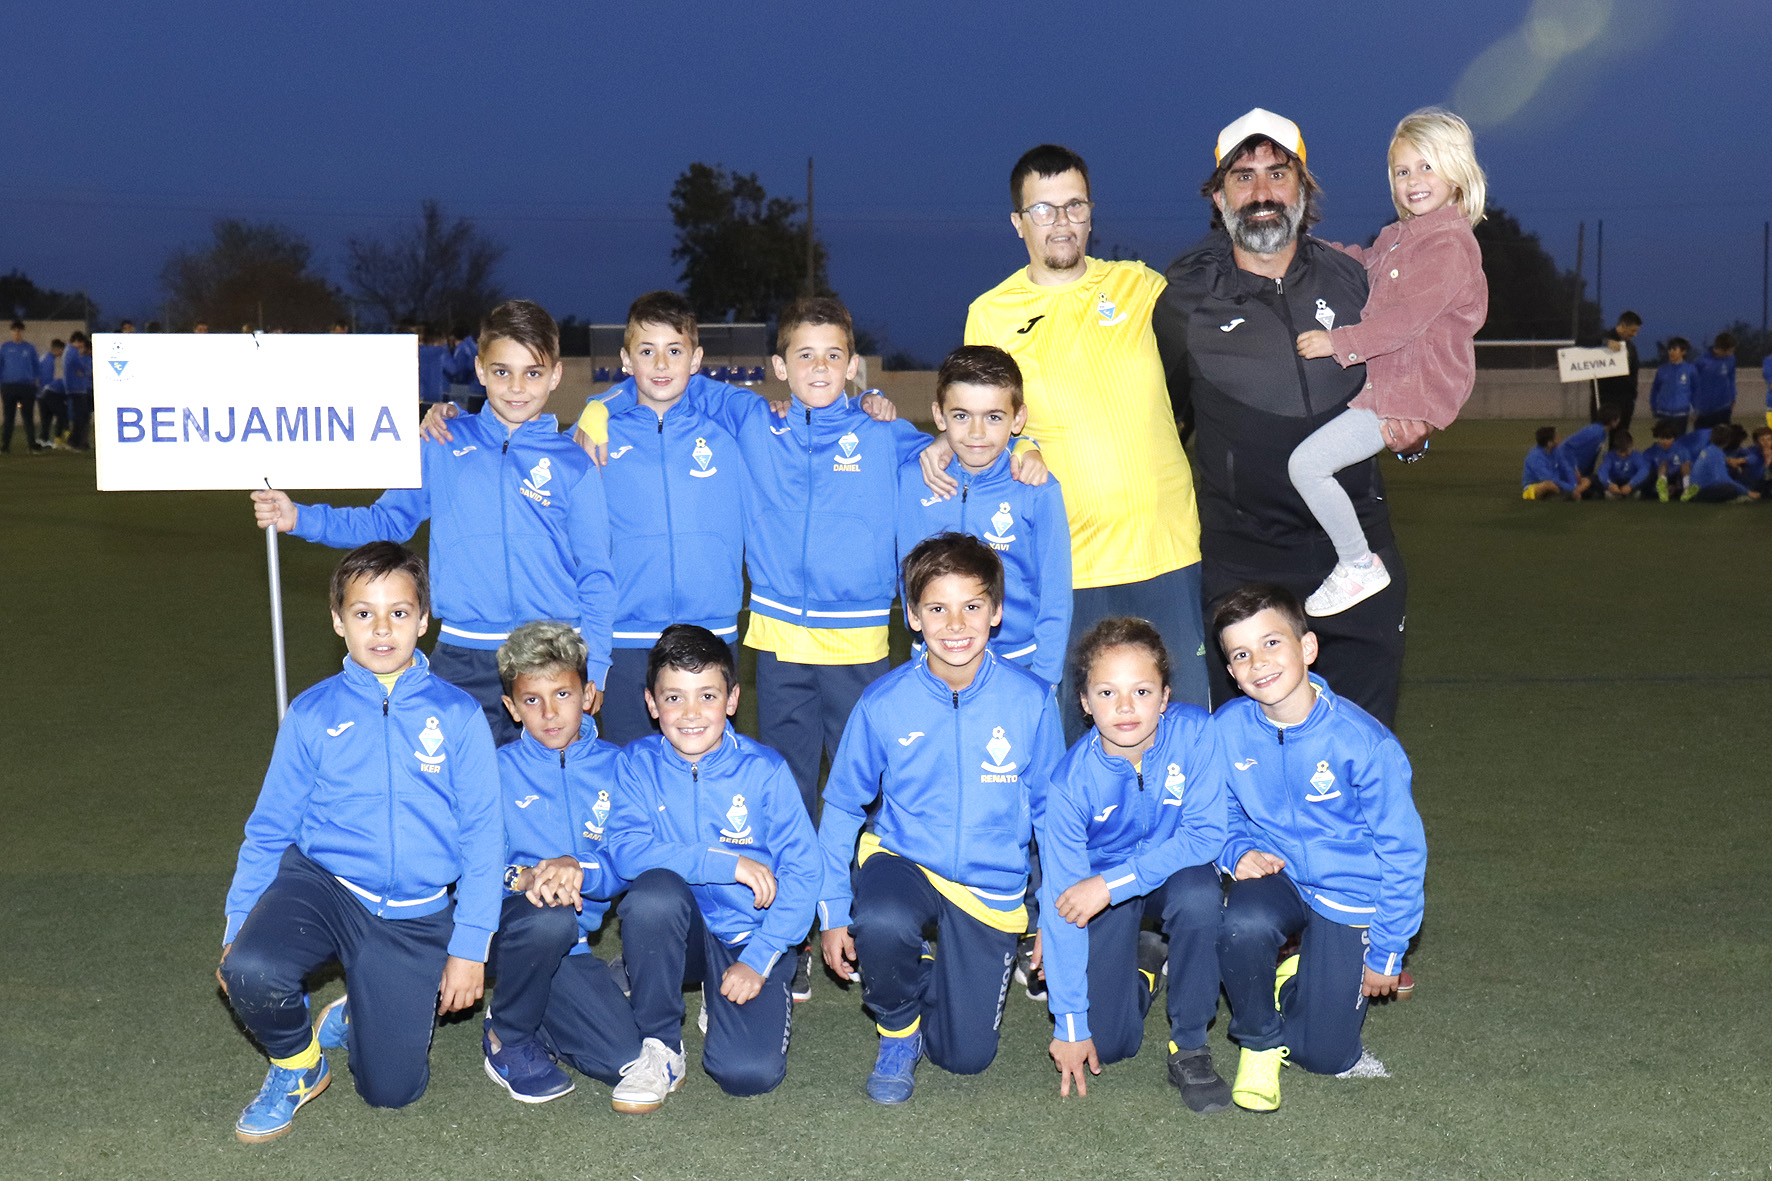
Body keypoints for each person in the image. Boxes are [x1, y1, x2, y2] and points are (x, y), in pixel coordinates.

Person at [217, 543, 502, 1142]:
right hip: (326, 886)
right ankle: (298, 1065)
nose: (382, 629)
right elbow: (269, 829)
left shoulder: (457, 714)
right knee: (251, 966)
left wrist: (469, 946)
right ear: (337, 620)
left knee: (391, 1091)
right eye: (363, 613)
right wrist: (237, 924)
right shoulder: (312, 713)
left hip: (415, 912)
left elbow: (484, 836)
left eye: (399, 613)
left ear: (424, 621)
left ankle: (359, 1012)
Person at [251, 300, 615, 746]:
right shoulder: (443, 441)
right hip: (464, 655)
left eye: (533, 373)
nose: (517, 387)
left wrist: (596, 664)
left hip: (552, 656)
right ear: (480, 369)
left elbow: (596, 573)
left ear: (555, 375)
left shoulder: (575, 463)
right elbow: (386, 520)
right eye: (502, 371)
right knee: (448, 779)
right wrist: (300, 518)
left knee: (546, 783)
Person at [1154, 108, 1408, 727]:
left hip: (1356, 551)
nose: (1262, 193)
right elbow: (1162, 415)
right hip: (1244, 563)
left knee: (1361, 740)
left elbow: (1408, 378)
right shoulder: (1183, 301)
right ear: (1218, 198)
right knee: (1249, 749)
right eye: (1242, 177)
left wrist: (1415, 435)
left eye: (1278, 173)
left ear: (1303, 189)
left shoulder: (1356, 281)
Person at [956, 144, 1209, 739]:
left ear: (1091, 212)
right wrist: (1000, 446)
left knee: (1185, 729)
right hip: (1069, 563)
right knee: (1077, 739)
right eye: (1043, 210)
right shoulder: (990, 314)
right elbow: (978, 419)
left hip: (1168, 548)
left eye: (1074, 206)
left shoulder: (1139, 286)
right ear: (1018, 222)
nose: (1061, 222)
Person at [818, 534, 1064, 1104]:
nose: (955, 625)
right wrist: (831, 907)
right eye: (937, 608)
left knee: (965, 1057)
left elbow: (1053, 816)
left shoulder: (1030, 701)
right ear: (912, 616)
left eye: (972, 606)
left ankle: (927, 963)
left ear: (996, 612)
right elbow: (843, 806)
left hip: (989, 885)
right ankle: (898, 1028)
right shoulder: (883, 702)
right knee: (882, 918)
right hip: (904, 859)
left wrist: (1053, 913)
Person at [1208, 584, 1426, 1113]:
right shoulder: (1227, 729)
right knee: (1241, 925)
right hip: (1278, 873)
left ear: (1307, 648)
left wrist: (1388, 951)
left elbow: (1402, 853)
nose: (1259, 663)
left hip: (1347, 892)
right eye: (1242, 654)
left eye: (1271, 644)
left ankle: (1296, 978)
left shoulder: (1363, 742)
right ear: (1232, 672)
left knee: (1325, 1056)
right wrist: (1235, 850)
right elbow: (1217, 811)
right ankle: (1259, 1041)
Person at [602, 625, 819, 1110]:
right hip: (681, 932)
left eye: (707, 696)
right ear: (652, 704)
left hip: (749, 935)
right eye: (673, 697)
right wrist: (726, 863)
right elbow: (627, 851)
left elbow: (805, 872)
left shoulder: (765, 770)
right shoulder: (636, 763)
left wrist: (761, 955)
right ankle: (661, 1046)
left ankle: (703, 987)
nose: (691, 713)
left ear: (733, 699)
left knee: (747, 1074)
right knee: (653, 895)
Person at [1288, 107, 1489, 616]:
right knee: (1311, 457)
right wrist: (1307, 249)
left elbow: (1406, 321)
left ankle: (1358, 563)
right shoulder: (1400, 236)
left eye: (1427, 167)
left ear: (1457, 174)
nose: (1413, 181)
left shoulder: (1449, 246)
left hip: (1407, 393)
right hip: (1388, 386)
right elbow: (1360, 266)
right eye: (1402, 171)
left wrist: (1338, 342)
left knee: (1307, 465)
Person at [1035, 617, 1230, 1111]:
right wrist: (1070, 1025)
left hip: (1168, 872)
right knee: (1109, 1044)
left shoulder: (1197, 733)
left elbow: (1205, 836)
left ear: (1165, 697)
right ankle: (1145, 967)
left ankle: (1190, 1045)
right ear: (1084, 702)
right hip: (1099, 888)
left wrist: (1113, 883)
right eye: (1107, 693)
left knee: (1200, 896)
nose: (1125, 707)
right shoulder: (1068, 784)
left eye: (1142, 691)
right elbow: (1063, 898)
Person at [572, 291, 748, 743]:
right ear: (626, 360)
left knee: (707, 765)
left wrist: (870, 398)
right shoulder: (596, 437)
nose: (662, 364)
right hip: (626, 638)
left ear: (696, 359)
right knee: (630, 767)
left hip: (711, 632)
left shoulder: (730, 431)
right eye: (647, 352)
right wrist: (596, 657)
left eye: (675, 351)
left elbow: (802, 414)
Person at [482, 621, 638, 1104]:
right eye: (532, 700)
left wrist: (580, 866)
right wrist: (525, 877)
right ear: (511, 707)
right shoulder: (495, 771)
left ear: (588, 696)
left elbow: (629, 859)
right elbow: (469, 869)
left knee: (624, 1059)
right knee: (549, 918)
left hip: (575, 946)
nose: (549, 713)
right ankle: (507, 1035)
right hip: (513, 930)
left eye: (563, 694)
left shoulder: (621, 767)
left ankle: (540, 1007)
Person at [898, 344, 1071, 690]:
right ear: (939, 416)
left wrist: (1045, 680)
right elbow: (906, 573)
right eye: (961, 416)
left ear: (1018, 419)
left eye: (993, 417)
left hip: (1018, 665)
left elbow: (1056, 597)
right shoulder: (912, 479)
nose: (976, 433)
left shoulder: (1037, 489)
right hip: (932, 664)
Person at [1587, 311, 1643, 428]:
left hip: (1626, 402)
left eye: (1636, 331)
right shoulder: (1603, 338)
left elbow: (1634, 373)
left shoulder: (1631, 347)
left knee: (1621, 436)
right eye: (1633, 330)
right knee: (1599, 434)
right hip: (1604, 400)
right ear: (1622, 326)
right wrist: (1605, 343)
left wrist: (1632, 397)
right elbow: (1582, 342)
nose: (1635, 334)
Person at [1680, 425, 1758, 502]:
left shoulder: (1709, 449)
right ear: (1728, 440)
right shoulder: (1717, 453)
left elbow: (1753, 458)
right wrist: (1747, 492)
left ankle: (1690, 493)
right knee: (1730, 488)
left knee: (1732, 481)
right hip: (1701, 489)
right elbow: (1723, 479)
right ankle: (1697, 497)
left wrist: (1739, 460)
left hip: (1695, 486)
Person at [1553, 408, 1620, 499]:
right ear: (1612, 420)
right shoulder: (1593, 432)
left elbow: (1592, 456)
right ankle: (1572, 491)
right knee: (1595, 482)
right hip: (1571, 471)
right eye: (1617, 418)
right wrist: (1574, 470)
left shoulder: (1603, 433)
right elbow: (1566, 447)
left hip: (1582, 472)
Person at [1, 320, 42, 454]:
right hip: (9, 386)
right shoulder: (5, 347)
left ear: (23, 331)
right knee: (9, 417)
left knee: (28, 416)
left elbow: (36, 366)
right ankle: (5, 445)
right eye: (15, 330)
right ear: (11, 331)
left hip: (26, 387)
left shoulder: (29, 348)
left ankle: (32, 445)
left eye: (19, 330)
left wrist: (36, 382)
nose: (17, 333)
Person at [1691, 333, 1738, 431]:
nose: (1731, 353)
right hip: (1704, 410)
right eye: (1730, 350)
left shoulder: (1731, 359)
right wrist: (1692, 408)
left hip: (1724, 408)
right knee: (1702, 438)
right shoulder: (1701, 362)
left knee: (1723, 437)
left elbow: (1731, 378)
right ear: (1721, 349)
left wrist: (1733, 397)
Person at [1648, 338, 1697, 432]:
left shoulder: (1690, 370)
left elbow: (1696, 391)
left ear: (1683, 352)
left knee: (1679, 439)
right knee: (1664, 438)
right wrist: (1654, 406)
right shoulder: (1662, 370)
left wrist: (1695, 409)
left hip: (1682, 413)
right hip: (1663, 412)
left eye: (1674, 349)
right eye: (1669, 349)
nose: (1671, 352)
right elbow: (1655, 389)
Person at [1521, 426, 1580, 499]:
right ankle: (1566, 494)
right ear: (1550, 443)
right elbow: (1547, 478)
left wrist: (1574, 485)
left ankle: (1566, 494)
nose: (1560, 438)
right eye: (1557, 437)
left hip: (1557, 482)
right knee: (1548, 485)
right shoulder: (1535, 456)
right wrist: (1568, 487)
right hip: (1536, 485)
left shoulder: (1556, 451)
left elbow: (1567, 469)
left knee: (1581, 478)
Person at [1597, 430, 1651, 500]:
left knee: (1648, 477)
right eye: (1620, 451)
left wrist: (1631, 484)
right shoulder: (1610, 456)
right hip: (1615, 482)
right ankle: (1613, 493)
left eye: (1626, 451)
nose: (1623, 455)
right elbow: (1603, 470)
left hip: (1630, 481)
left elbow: (1643, 470)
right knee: (1596, 479)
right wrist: (1609, 484)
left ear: (1631, 445)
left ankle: (1631, 493)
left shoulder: (1636, 456)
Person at [1641, 420, 1685, 501]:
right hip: (1655, 482)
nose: (1665, 441)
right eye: (1662, 438)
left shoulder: (1681, 451)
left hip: (1675, 482)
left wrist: (1675, 486)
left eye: (1668, 438)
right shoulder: (1650, 452)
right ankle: (1661, 491)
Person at [63, 332, 93, 450]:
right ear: (77, 341)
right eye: (81, 344)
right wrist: (85, 372)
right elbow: (81, 367)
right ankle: (74, 441)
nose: (81, 347)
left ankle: (77, 441)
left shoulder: (68, 351)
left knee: (81, 416)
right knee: (81, 416)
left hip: (75, 388)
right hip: (77, 388)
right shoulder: (72, 352)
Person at [36, 338, 66, 449]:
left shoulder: (45, 357)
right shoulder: (49, 360)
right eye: (62, 350)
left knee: (46, 418)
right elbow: (46, 378)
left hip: (40, 392)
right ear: (58, 349)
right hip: (44, 392)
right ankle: (46, 439)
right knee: (58, 414)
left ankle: (43, 439)